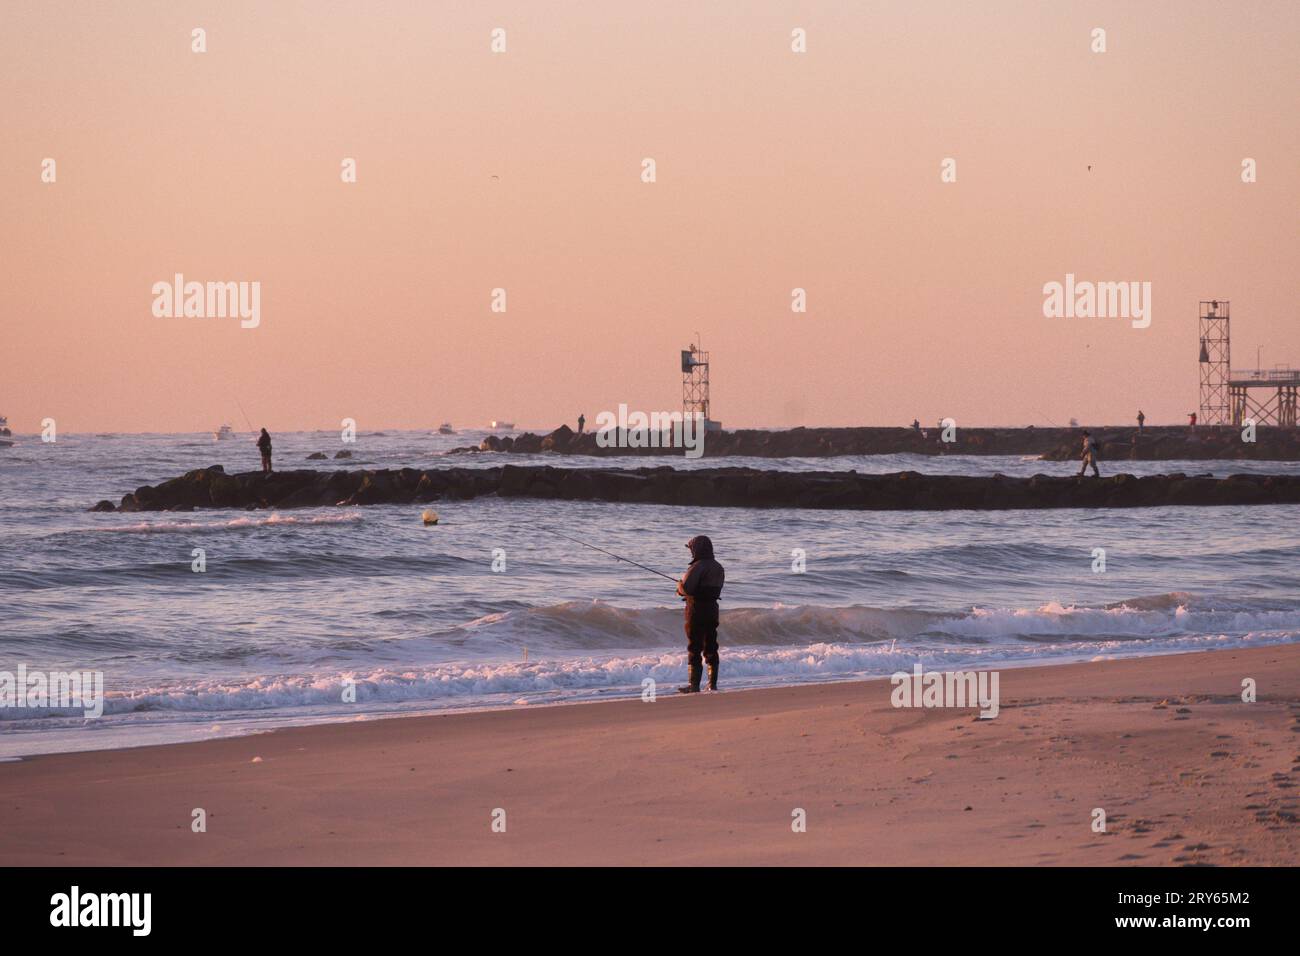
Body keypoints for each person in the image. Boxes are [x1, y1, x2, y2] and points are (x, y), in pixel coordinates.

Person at [676, 535, 725, 693]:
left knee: (694, 647)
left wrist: (679, 586)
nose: (691, 552)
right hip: (712, 611)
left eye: (692, 549)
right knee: (711, 646)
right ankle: (712, 684)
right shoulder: (719, 567)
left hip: (696, 611)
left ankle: (694, 685)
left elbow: (687, 588)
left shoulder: (697, 566)